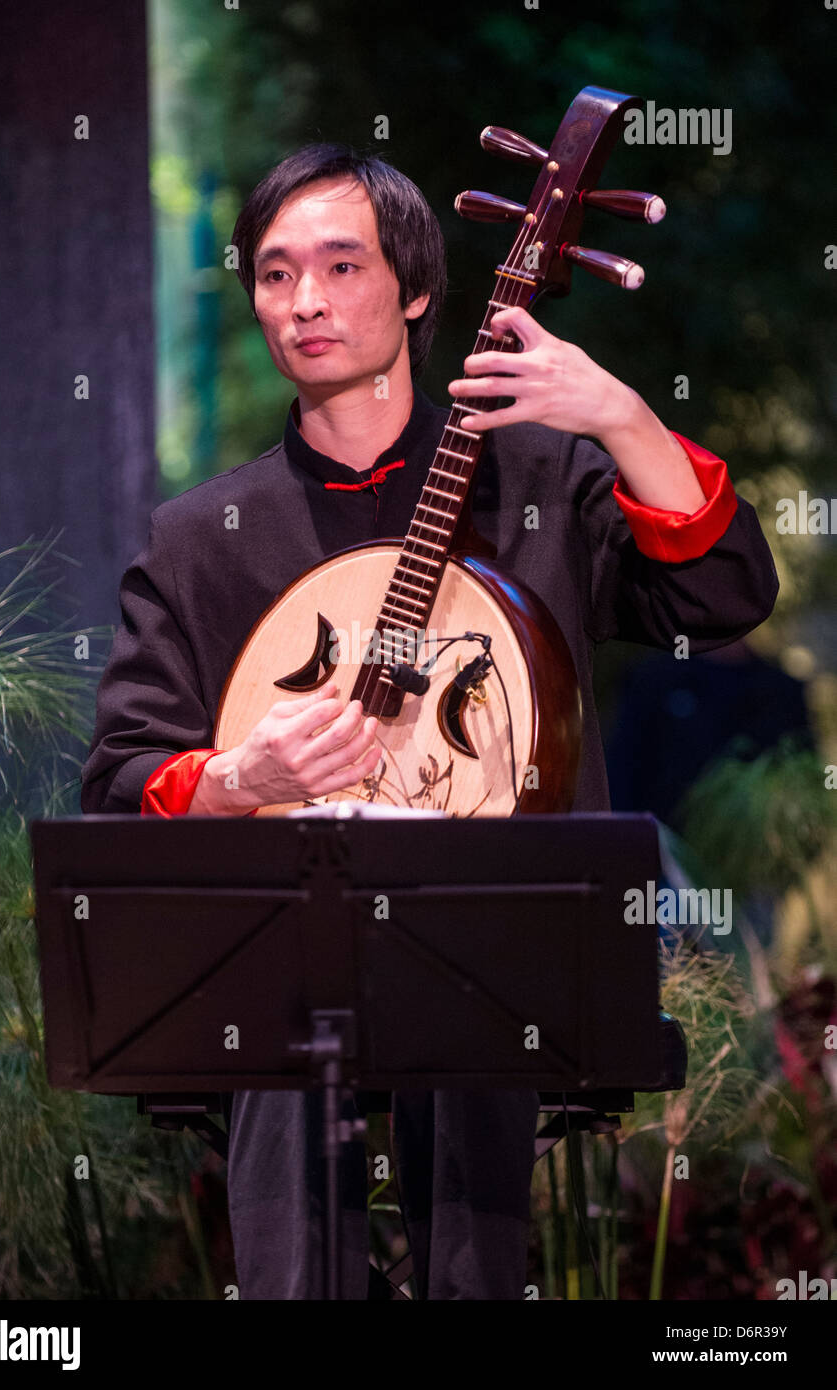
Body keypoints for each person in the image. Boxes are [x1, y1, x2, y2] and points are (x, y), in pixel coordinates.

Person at [81, 144, 778, 1299]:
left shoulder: (542, 483)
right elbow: (122, 777)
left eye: (340, 266)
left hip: (510, 964)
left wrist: (618, 416)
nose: (303, 300)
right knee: (291, 1035)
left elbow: (721, 597)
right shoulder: (203, 538)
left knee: (467, 1016)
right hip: (289, 985)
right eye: (272, 273)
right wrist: (235, 774)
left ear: (413, 291)